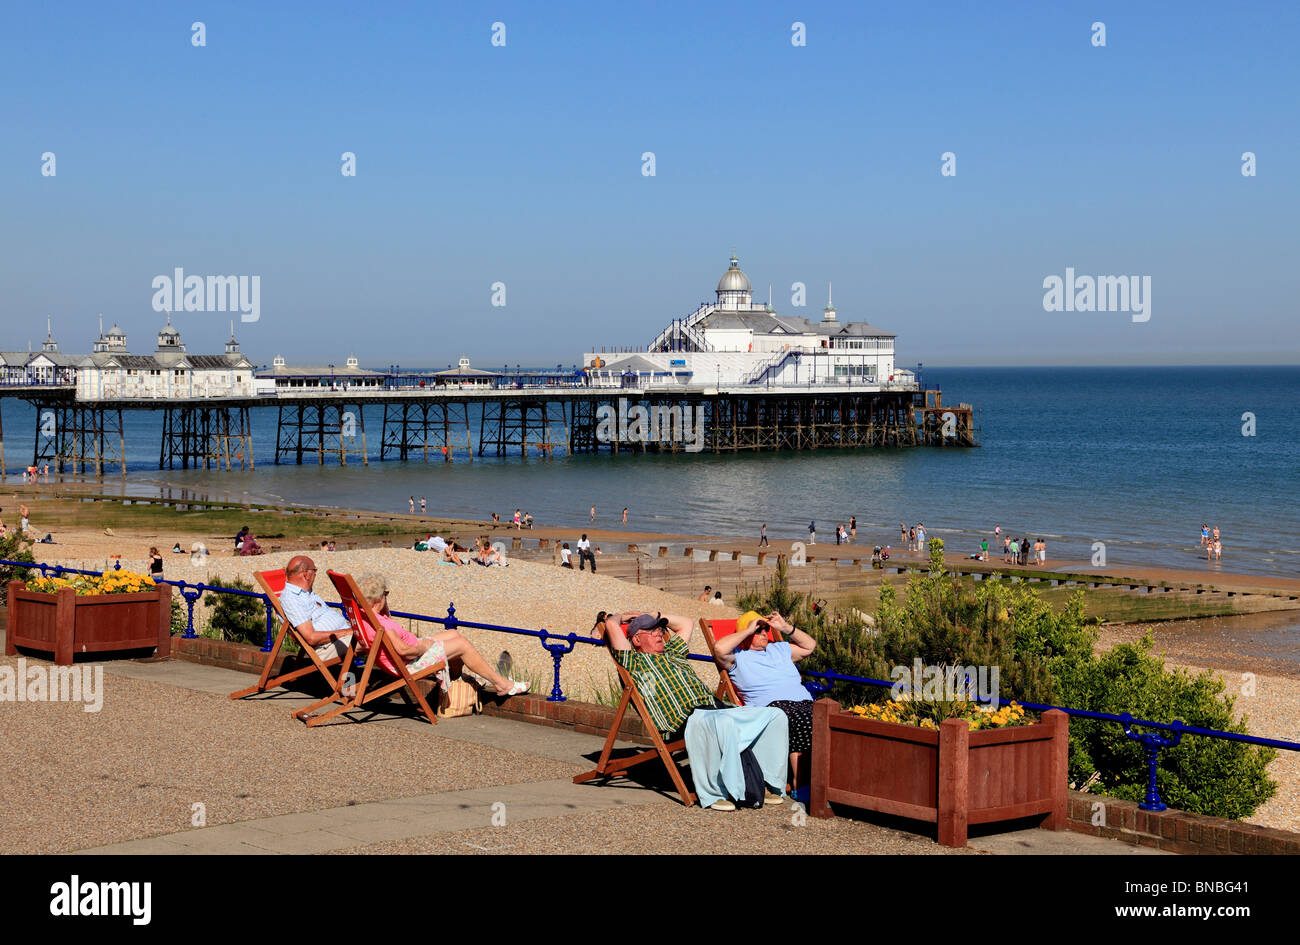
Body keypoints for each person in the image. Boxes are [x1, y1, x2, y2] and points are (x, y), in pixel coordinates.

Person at [597, 611, 788, 811]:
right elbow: (611, 626)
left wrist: (655, 614)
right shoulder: (633, 662)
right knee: (724, 723)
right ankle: (716, 792)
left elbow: (686, 623)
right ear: (636, 639)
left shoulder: (673, 653)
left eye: (659, 630)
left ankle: (766, 781)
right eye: (651, 632)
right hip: (686, 719)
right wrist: (623, 616)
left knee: (774, 716)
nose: (659, 634)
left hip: (716, 708)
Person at [355, 572, 527, 695]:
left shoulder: (364, 617)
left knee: (452, 633)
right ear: (378, 598)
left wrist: (382, 608)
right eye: (385, 594)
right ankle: (502, 684)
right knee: (462, 646)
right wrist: (423, 647)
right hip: (410, 661)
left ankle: (456, 678)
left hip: (403, 655)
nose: (387, 596)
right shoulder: (383, 625)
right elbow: (403, 650)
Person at [713, 610, 816, 793]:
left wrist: (785, 627)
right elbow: (719, 649)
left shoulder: (780, 649)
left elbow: (810, 646)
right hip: (773, 707)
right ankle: (800, 784)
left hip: (805, 702)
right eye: (758, 630)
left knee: (832, 718)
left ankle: (832, 781)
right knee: (803, 719)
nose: (763, 634)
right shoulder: (738, 657)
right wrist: (747, 630)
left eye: (765, 630)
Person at [281, 556, 355, 662]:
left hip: (340, 638)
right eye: (314, 570)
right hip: (328, 646)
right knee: (376, 636)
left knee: (379, 630)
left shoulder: (306, 592)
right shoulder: (292, 599)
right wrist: (348, 632)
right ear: (306, 574)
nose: (315, 574)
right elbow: (311, 637)